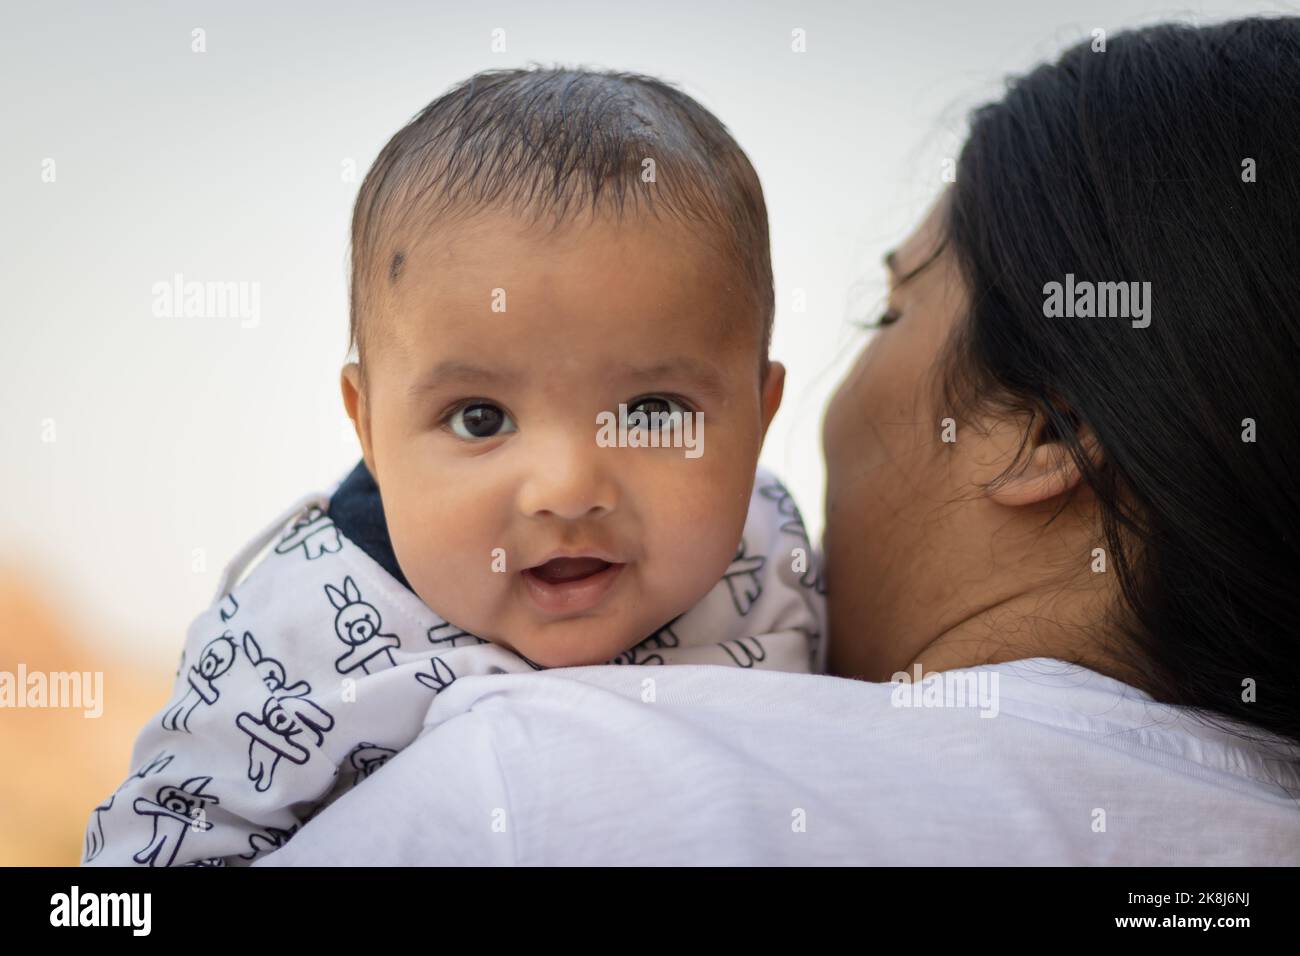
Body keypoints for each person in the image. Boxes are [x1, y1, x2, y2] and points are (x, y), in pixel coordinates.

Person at [255, 17, 1300, 865]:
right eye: (481, 417)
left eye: (886, 314)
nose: (569, 483)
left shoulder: (536, 788)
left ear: (1042, 428)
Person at [81, 68, 824, 867]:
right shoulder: (306, 627)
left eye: (651, 412)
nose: (569, 488)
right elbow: (146, 855)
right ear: (369, 426)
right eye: (480, 419)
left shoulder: (767, 550)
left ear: (758, 414)